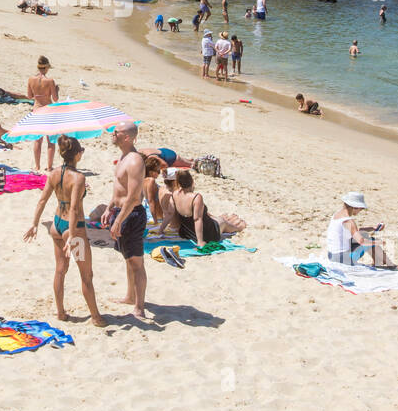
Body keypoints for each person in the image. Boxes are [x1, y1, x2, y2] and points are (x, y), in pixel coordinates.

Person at [24, 137, 106, 326]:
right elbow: (75, 209)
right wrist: (72, 236)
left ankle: (60, 312)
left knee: (60, 270)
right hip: (73, 229)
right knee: (86, 275)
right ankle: (95, 317)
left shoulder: (54, 173)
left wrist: (35, 223)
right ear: (77, 154)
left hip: (56, 224)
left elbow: (42, 200)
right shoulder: (79, 178)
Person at [102, 121, 148, 319]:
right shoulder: (124, 157)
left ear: (127, 137)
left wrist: (120, 219)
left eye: (116, 132)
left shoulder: (135, 161)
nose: (112, 134)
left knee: (136, 262)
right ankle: (130, 296)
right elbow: (119, 189)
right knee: (128, 258)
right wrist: (109, 207)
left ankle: (139, 307)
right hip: (121, 213)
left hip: (132, 215)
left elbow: (134, 196)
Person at [157, 169, 246, 248]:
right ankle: (239, 227)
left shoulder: (175, 195)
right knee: (224, 222)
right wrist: (200, 241)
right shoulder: (196, 197)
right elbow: (197, 219)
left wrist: (161, 230)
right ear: (192, 182)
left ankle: (227, 222)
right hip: (206, 234)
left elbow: (169, 214)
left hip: (187, 232)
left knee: (217, 219)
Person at [325, 191, 392, 266]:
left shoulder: (337, 215)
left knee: (365, 236)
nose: (361, 211)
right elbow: (361, 241)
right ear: (355, 207)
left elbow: (356, 231)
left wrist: (373, 228)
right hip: (343, 259)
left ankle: (379, 262)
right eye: (361, 209)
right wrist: (379, 242)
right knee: (371, 241)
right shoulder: (348, 220)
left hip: (332, 256)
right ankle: (391, 265)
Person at [27, 56, 59, 171]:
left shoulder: (31, 79)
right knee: (50, 141)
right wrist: (57, 90)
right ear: (46, 68)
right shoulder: (50, 81)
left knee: (37, 140)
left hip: (37, 110)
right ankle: (49, 167)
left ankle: (37, 165)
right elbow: (55, 99)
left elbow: (29, 96)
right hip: (48, 110)